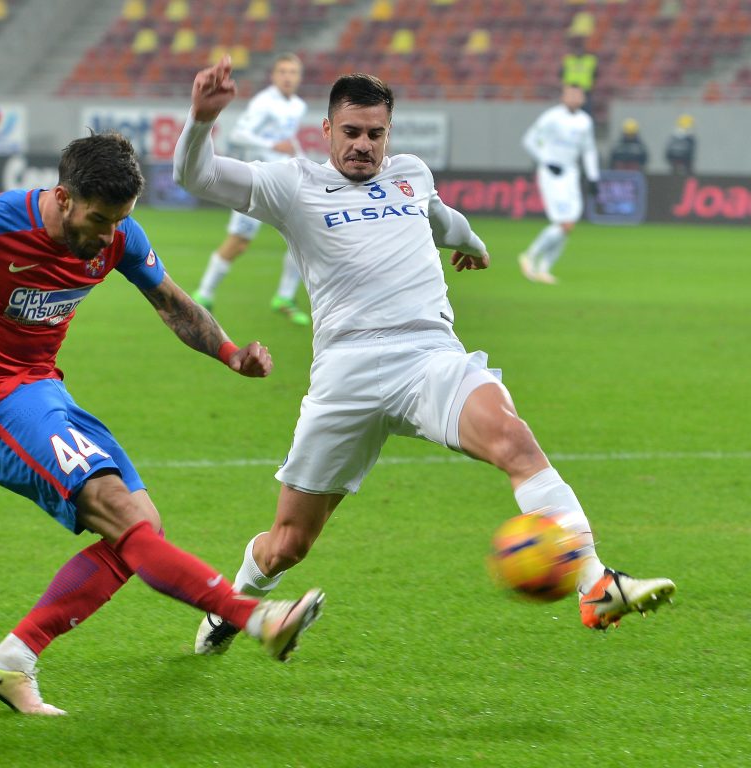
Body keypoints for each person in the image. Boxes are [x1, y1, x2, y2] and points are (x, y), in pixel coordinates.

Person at [173, 57, 675, 655]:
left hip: (429, 357)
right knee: (288, 543)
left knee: (515, 441)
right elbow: (197, 176)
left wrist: (474, 245)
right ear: (327, 131)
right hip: (347, 373)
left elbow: (441, 219)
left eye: (375, 134)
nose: (363, 145)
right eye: (352, 132)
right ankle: (232, 605)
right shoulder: (291, 183)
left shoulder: (410, 174)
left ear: (389, 134)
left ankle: (595, 582)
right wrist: (201, 120)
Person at [0, 132, 325, 715]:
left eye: (119, 221)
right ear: (63, 197)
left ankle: (13, 659)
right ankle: (255, 617)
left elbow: (169, 299)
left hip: (44, 391)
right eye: (97, 220)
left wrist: (229, 353)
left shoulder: (116, 235)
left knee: (140, 527)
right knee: (122, 515)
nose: (106, 236)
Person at [191, 53, 311, 326]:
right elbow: (238, 135)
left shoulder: (298, 106)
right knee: (239, 242)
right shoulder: (264, 102)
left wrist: (300, 156)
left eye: (293, 72)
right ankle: (204, 293)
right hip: (259, 180)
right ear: (274, 76)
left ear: (299, 77)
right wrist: (272, 147)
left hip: (286, 181)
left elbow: (287, 138)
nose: (288, 77)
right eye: (283, 71)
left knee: (303, 236)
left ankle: (284, 297)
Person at [518, 84, 600, 285]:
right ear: (563, 97)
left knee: (569, 223)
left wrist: (593, 177)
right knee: (564, 223)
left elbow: (588, 150)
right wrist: (546, 162)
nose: (574, 97)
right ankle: (529, 256)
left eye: (578, 94)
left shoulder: (585, 121)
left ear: (583, 98)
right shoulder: (552, 117)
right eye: (570, 94)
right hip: (552, 174)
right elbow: (528, 140)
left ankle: (543, 269)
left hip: (571, 173)